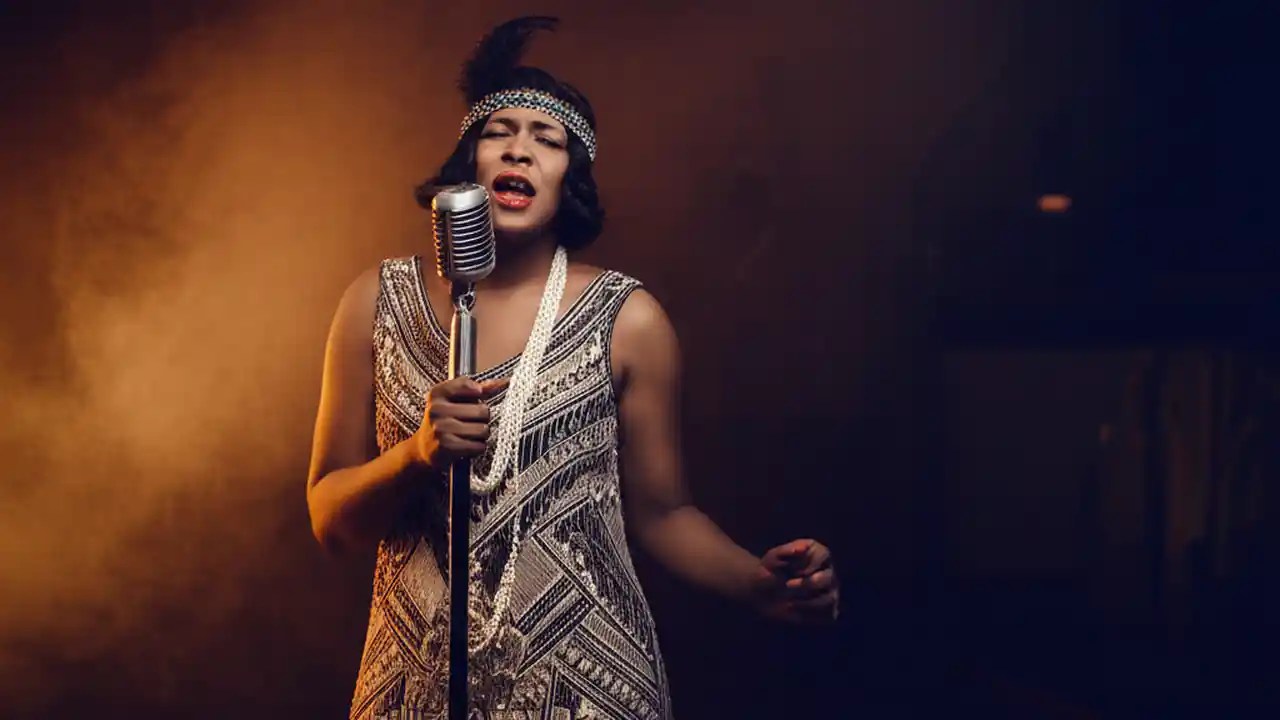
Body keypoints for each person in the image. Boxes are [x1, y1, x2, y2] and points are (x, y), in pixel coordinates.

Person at [306, 17, 839, 719]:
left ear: (570, 181)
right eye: (499, 132)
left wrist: (759, 584)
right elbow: (331, 520)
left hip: (589, 687)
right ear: (468, 164)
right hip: (413, 687)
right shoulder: (374, 302)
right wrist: (416, 455)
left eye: (547, 140)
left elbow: (664, 513)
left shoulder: (630, 320)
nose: (519, 148)